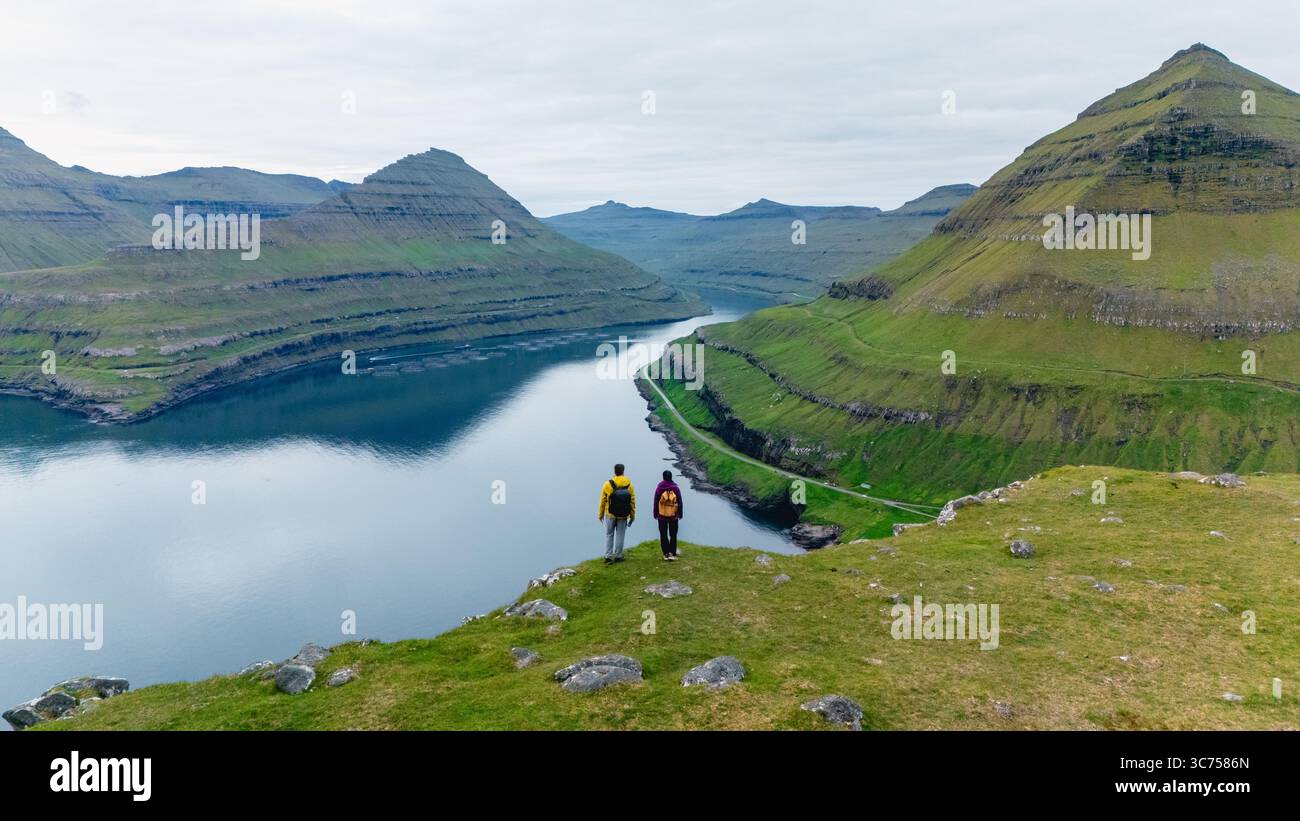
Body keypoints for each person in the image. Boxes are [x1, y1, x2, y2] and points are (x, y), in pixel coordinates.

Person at [597, 463, 635, 564]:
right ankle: (618, 556)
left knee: (609, 534)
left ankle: (608, 556)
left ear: (614, 472)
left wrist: (600, 514)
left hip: (610, 514)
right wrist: (632, 516)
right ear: (623, 471)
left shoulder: (607, 484)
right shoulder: (629, 485)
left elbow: (602, 500)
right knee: (620, 535)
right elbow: (632, 501)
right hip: (623, 515)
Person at [652, 469, 684, 561]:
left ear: (663, 477)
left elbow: (656, 501)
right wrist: (680, 514)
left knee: (663, 534)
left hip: (662, 516)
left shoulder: (659, 488)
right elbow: (680, 502)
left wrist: (655, 514)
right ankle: (672, 552)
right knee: (673, 534)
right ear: (671, 477)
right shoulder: (675, 488)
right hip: (673, 516)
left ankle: (666, 553)